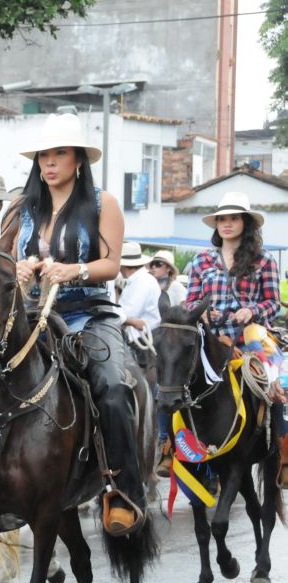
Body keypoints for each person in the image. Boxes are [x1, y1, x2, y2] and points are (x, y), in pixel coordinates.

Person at [0, 113, 141, 534]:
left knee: (111, 385)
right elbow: (4, 261)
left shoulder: (103, 203)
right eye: (43, 156)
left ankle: (119, 489)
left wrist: (74, 271)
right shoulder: (23, 209)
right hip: (33, 316)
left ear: (78, 160)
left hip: (89, 314)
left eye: (59, 154)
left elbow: (112, 264)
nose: (49, 163)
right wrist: (18, 270)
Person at [180, 191, 286, 485]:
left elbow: (273, 303)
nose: (226, 224)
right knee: (171, 372)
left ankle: (282, 447)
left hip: (249, 336)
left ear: (245, 222)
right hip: (211, 336)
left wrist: (250, 310)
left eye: (233, 218)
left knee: (274, 382)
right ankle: (168, 445)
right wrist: (201, 313)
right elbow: (190, 301)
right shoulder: (201, 260)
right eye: (222, 219)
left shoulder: (263, 261)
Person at [116, 241, 162, 352]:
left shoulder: (142, 282)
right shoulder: (140, 280)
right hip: (138, 338)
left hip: (139, 341)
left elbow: (127, 314)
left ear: (122, 265)